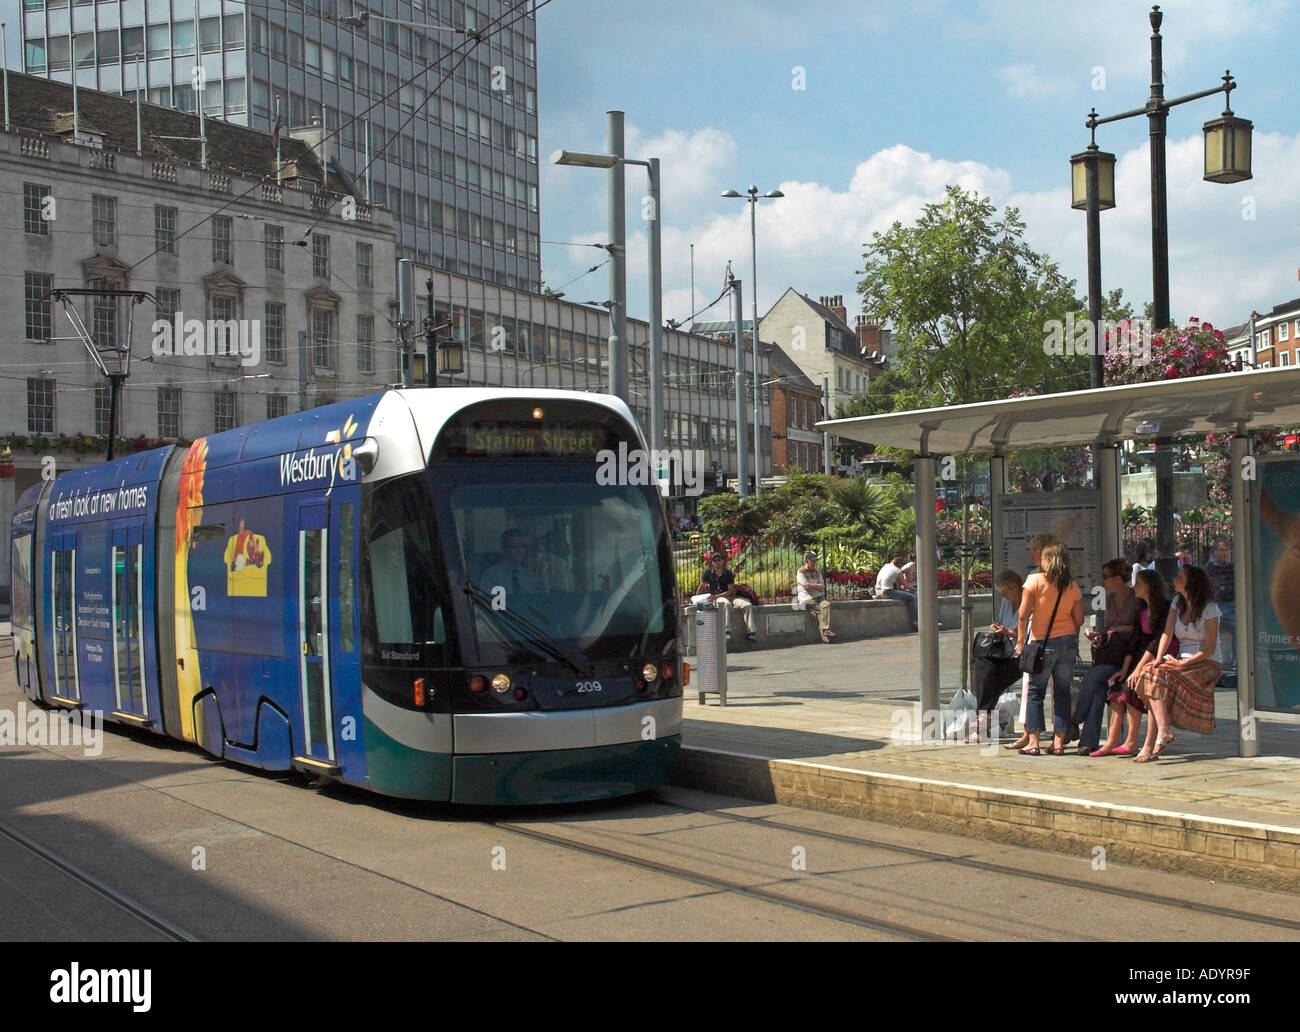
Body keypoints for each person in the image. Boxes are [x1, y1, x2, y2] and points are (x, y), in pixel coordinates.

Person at [1129, 565, 1220, 762]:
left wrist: (1182, 664)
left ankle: (1152, 743)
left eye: (1179, 577)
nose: (1174, 580)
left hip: (1205, 662)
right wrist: (1158, 658)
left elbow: (1210, 648)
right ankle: (1162, 733)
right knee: (1151, 674)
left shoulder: (1209, 608)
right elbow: (1167, 633)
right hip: (1181, 659)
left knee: (1156, 680)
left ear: (1191, 582)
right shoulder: (1177, 603)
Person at [1015, 541, 1084, 755]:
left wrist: (1020, 641)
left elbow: (1023, 615)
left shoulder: (1034, 581)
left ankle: (1033, 742)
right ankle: (1058, 743)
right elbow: (1079, 618)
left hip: (1041, 643)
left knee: (1036, 691)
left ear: (1048, 560)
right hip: (1067, 642)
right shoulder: (1071, 585)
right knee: (1062, 691)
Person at [1094, 568, 1171, 756]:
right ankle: (1113, 741)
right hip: (1140, 654)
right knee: (1118, 686)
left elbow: (1157, 640)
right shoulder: (1141, 608)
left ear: (1150, 586)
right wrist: (1126, 668)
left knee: (1134, 687)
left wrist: (1137, 670)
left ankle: (1134, 742)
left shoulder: (1165, 608)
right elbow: (1135, 639)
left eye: (1139, 584)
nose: (1134, 587)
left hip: (1158, 654)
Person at [1071, 558, 1137, 754]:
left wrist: (1115, 630)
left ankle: (1074, 722)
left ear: (1118, 579)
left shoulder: (1135, 597)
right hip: (1111, 654)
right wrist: (1099, 635)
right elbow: (1109, 627)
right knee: (1099, 690)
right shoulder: (1110, 598)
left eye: (1105, 576)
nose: (1102, 580)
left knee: (1093, 676)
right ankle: (1088, 742)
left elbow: (1137, 629)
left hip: (1128, 656)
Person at [970, 568, 1024, 743]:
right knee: (982, 667)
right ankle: (984, 718)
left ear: (1015, 587)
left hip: (1020, 652)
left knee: (993, 680)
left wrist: (1009, 632)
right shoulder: (1006, 602)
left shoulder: (1029, 602)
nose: (1004, 596)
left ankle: (982, 721)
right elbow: (1001, 622)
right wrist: (997, 629)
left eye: (1006, 592)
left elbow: (1032, 634)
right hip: (1002, 650)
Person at [694, 551, 757, 644]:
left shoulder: (728, 573)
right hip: (718, 598)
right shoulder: (708, 573)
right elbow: (701, 587)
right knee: (725, 604)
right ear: (712, 562)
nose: (717, 562)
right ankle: (727, 632)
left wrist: (716, 596)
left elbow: (730, 591)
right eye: (715, 561)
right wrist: (695, 599)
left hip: (730, 596)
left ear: (723, 561)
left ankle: (751, 633)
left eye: (719, 560)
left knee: (747, 605)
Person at [877, 553, 941, 630]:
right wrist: (917, 590)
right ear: (900, 565)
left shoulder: (886, 566)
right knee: (912, 597)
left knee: (923, 596)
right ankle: (915, 621)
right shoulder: (898, 570)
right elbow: (906, 585)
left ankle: (934, 620)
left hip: (878, 590)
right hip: (887, 591)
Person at [481, 529, 544, 596]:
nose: (519, 551)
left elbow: (545, 598)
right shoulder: (491, 576)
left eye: (522, 546)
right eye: (514, 547)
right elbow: (484, 599)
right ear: (504, 549)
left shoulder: (531, 577)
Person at [1205, 537, 1235, 670]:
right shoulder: (1210, 568)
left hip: (1235, 602)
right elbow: (1217, 590)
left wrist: (1227, 588)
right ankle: (1236, 664)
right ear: (1215, 552)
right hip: (1220, 605)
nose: (1225, 553)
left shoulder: (1232, 566)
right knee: (1238, 628)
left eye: (1227, 550)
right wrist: (1228, 588)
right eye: (1222, 550)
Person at [796, 551, 835, 644]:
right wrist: (816, 586)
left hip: (818, 596)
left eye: (815, 561)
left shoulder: (817, 571)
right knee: (822, 610)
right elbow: (807, 588)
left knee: (825, 606)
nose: (814, 563)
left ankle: (825, 635)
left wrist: (812, 585)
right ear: (807, 561)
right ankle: (826, 633)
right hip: (806, 598)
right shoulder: (801, 572)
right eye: (812, 561)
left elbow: (822, 586)